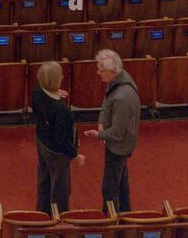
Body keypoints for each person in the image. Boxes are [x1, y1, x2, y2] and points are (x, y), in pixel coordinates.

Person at [85, 49, 140, 213]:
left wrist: (99, 135)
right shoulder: (118, 79)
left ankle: (110, 219)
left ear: (111, 71)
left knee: (110, 187)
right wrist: (102, 122)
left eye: (101, 70)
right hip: (118, 143)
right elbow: (107, 101)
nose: (98, 73)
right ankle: (125, 212)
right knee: (121, 180)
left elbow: (117, 132)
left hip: (119, 146)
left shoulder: (123, 97)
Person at [32, 59, 83, 217]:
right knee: (61, 188)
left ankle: (42, 213)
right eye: (60, 75)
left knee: (44, 179)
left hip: (41, 141)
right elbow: (62, 138)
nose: (62, 76)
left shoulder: (37, 92)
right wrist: (75, 154)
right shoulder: (62, 110)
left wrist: (53, 93)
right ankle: (60, 218)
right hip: (57, 152)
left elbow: (37, 110)